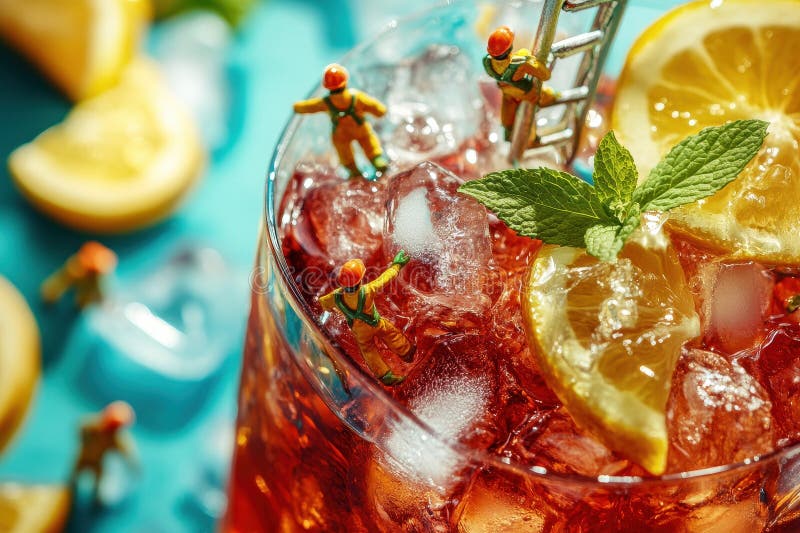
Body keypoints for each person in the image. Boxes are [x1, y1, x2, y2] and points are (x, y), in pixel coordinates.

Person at [319, 251, 415, 386]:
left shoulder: (335, 296)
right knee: (391, 333)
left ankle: (385, 376)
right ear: (360, 280)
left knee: (369, 351)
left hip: (360, 332)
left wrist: (333, 310)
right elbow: (385, 278)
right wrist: (397, 265)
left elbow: (323, 302)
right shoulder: (368, 290)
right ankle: (407, 352)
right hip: (375, 323)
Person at [294, 63, 389, 178]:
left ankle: (353, 171)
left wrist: (297, 107)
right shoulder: (356, 96)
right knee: (369, 143)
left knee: (344, 153)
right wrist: (381, 111)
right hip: (360, 129)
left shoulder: (326, 102)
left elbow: (311, 106)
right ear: (345, 81)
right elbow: (372, 105)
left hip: (341, 134)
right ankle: (377, 160)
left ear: (327, 86)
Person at [483, 26, 557, 141]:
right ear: (509, 48)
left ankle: (509, 136)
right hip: (526, 93)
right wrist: (530, 58)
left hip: (507, 92)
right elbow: (545, 75)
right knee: (549, 98)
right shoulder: (520, 61)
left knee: (507, 119)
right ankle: (532, 140)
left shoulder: (487, 62)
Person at [71, 401, 137, 503]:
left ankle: (95, 499)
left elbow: (128, 454)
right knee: (74, 476)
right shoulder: (92, 425)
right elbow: (80, 427)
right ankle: (70, 491)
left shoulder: (117, 440)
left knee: (97, 484)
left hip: (98, 463)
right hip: (83, 457)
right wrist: (84, 439)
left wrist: (134, 467)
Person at [40, 241, 117, 308]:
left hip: (88, 279)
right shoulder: (76, 267)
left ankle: (81, 303)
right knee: (55, 287)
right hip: (77, 270)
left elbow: (99, 289)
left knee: (85, 297)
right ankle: (49, 296)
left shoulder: (97, 276)